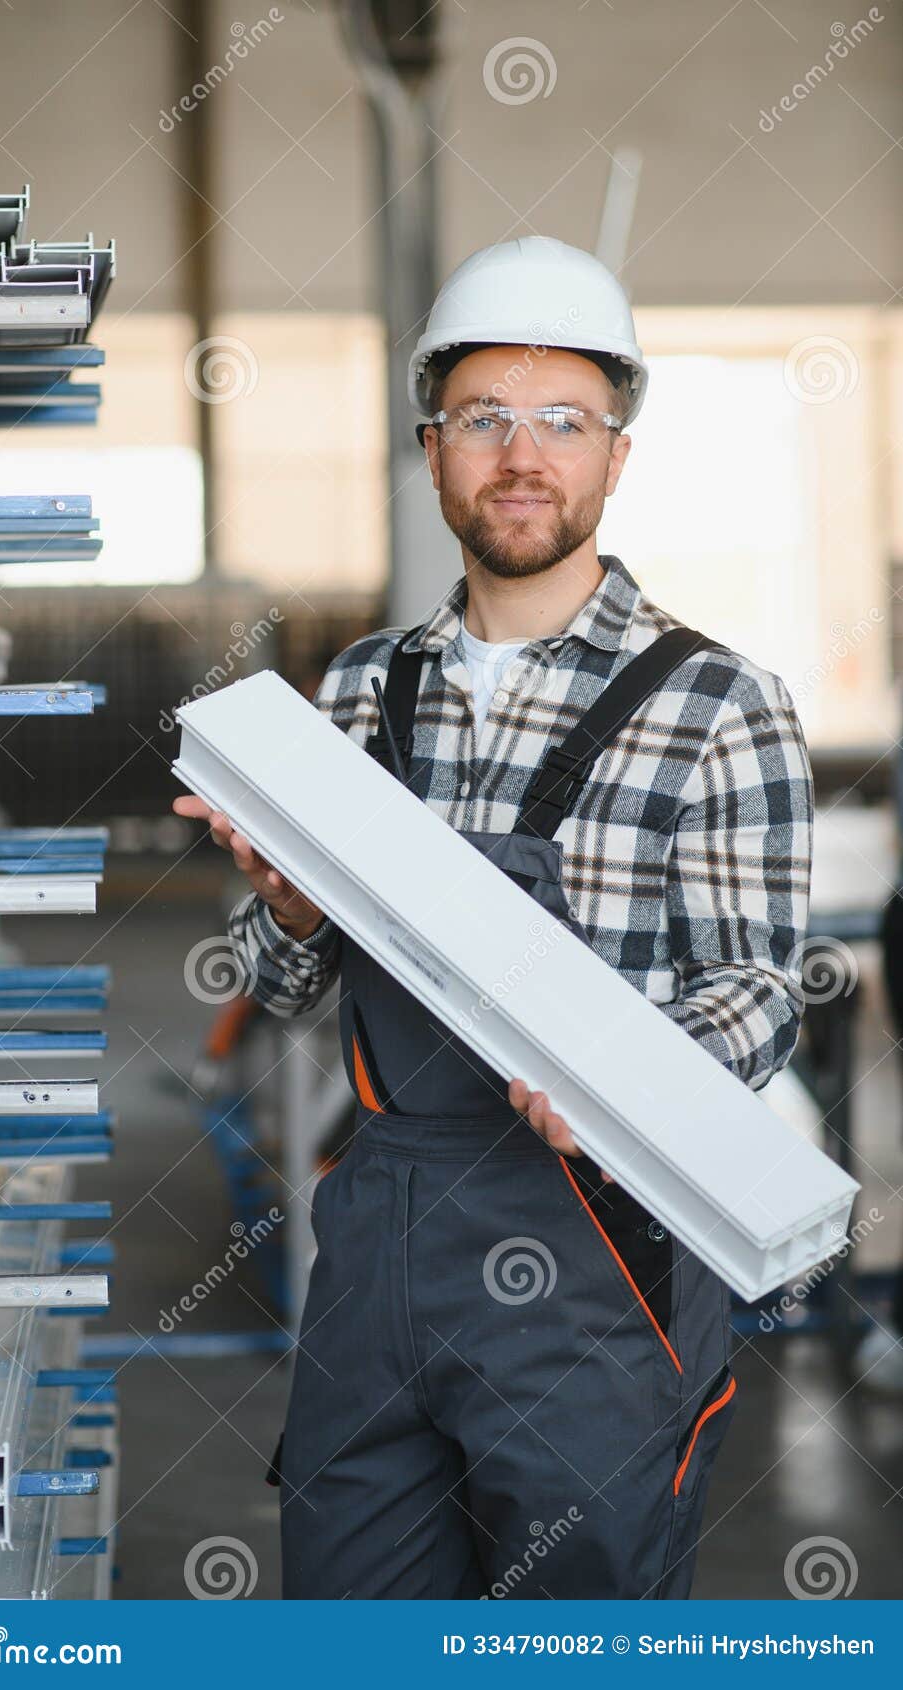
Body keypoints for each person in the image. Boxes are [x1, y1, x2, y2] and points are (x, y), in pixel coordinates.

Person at [173, 235, 814, 1599]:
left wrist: (628, 1086)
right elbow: (278, 989)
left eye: (564, 422)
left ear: (616, 457)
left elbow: (759, 987)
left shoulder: (720, 704)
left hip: (598, 1244)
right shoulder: (354, 694)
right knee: (350, 1621)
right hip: (382, 1231)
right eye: (484, 418)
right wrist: (289, 915)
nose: (523, 456)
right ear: (433, 450)